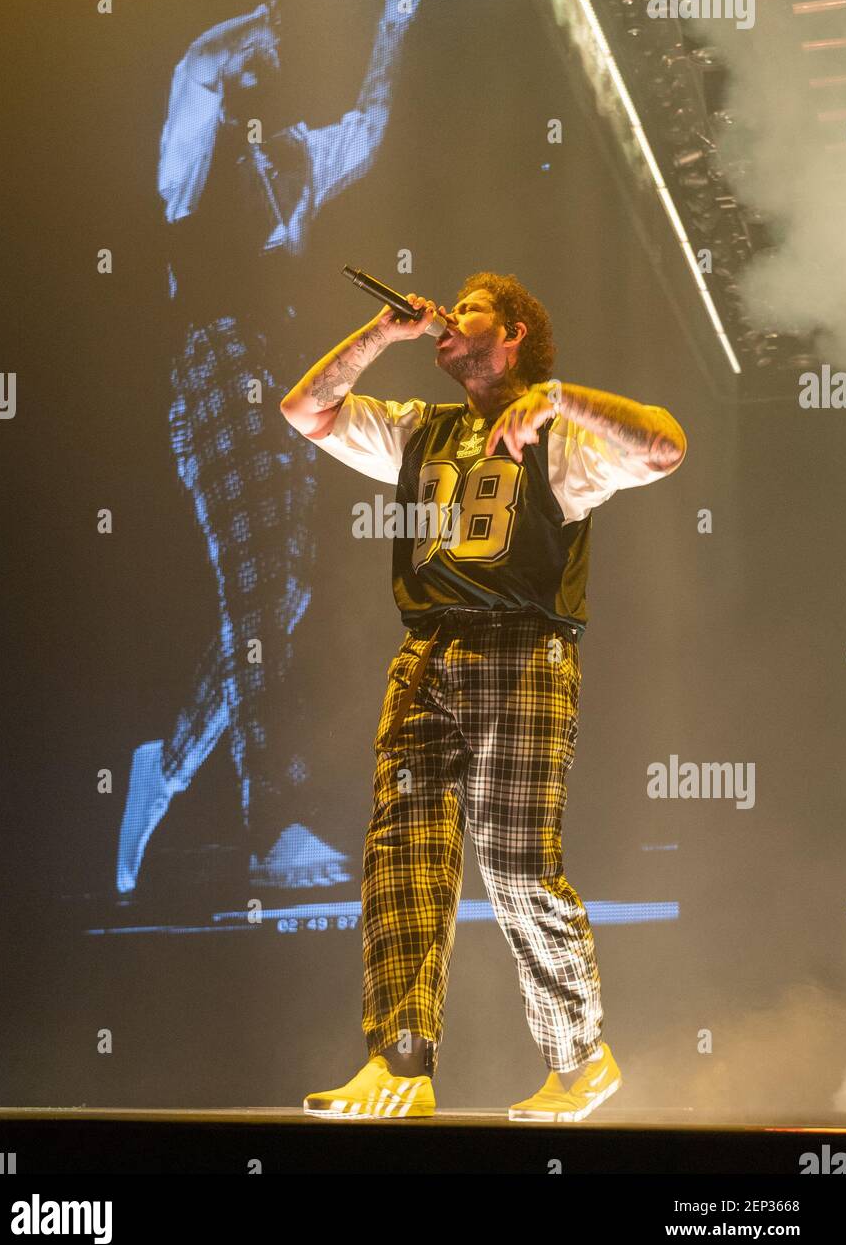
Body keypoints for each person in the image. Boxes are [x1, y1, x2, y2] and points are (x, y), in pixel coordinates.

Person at [280, 273, 687, 1120]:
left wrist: (558, 399)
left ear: (511, 337)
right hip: (425, 651)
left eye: (468, 307)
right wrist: (378, 335)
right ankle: (400, 1062)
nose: (447, 315)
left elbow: (664, 446)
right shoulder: (418, 430)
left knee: (514, 868)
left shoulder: (560, 435)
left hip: (523, 652)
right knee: (404, 854)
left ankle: (579, 1061)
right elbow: (304, 412)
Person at [114, 0, 429, 895]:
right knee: (261, 600)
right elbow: (193, 72)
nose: (264, 65)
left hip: (285, 381)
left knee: (277, 597)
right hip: (213, 369)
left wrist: (390, 24)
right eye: (257, 52)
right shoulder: (192, 155)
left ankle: (160, 770)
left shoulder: (296, 151)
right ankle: (270, 822)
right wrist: (254, 17)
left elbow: (369, 128)